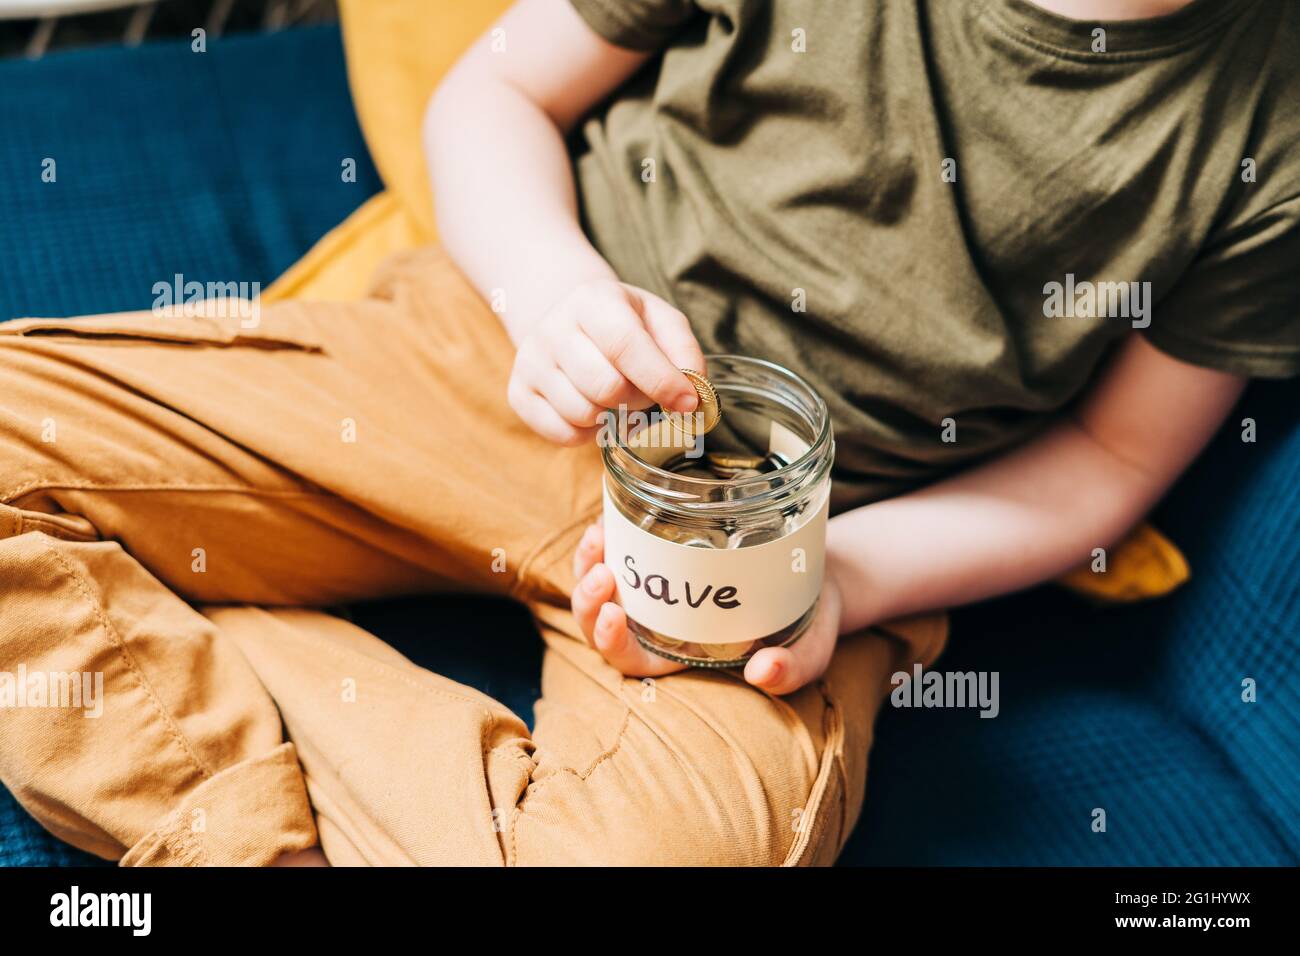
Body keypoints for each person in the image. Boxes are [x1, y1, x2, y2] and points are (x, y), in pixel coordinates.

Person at [0, 0, 1294, 866]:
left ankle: (203, 640)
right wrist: (553, 290)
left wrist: (840, 584)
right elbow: (491, 98)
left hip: (804, 541)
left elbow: (1112, 466)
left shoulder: (1272, 128)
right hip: (502, 365)